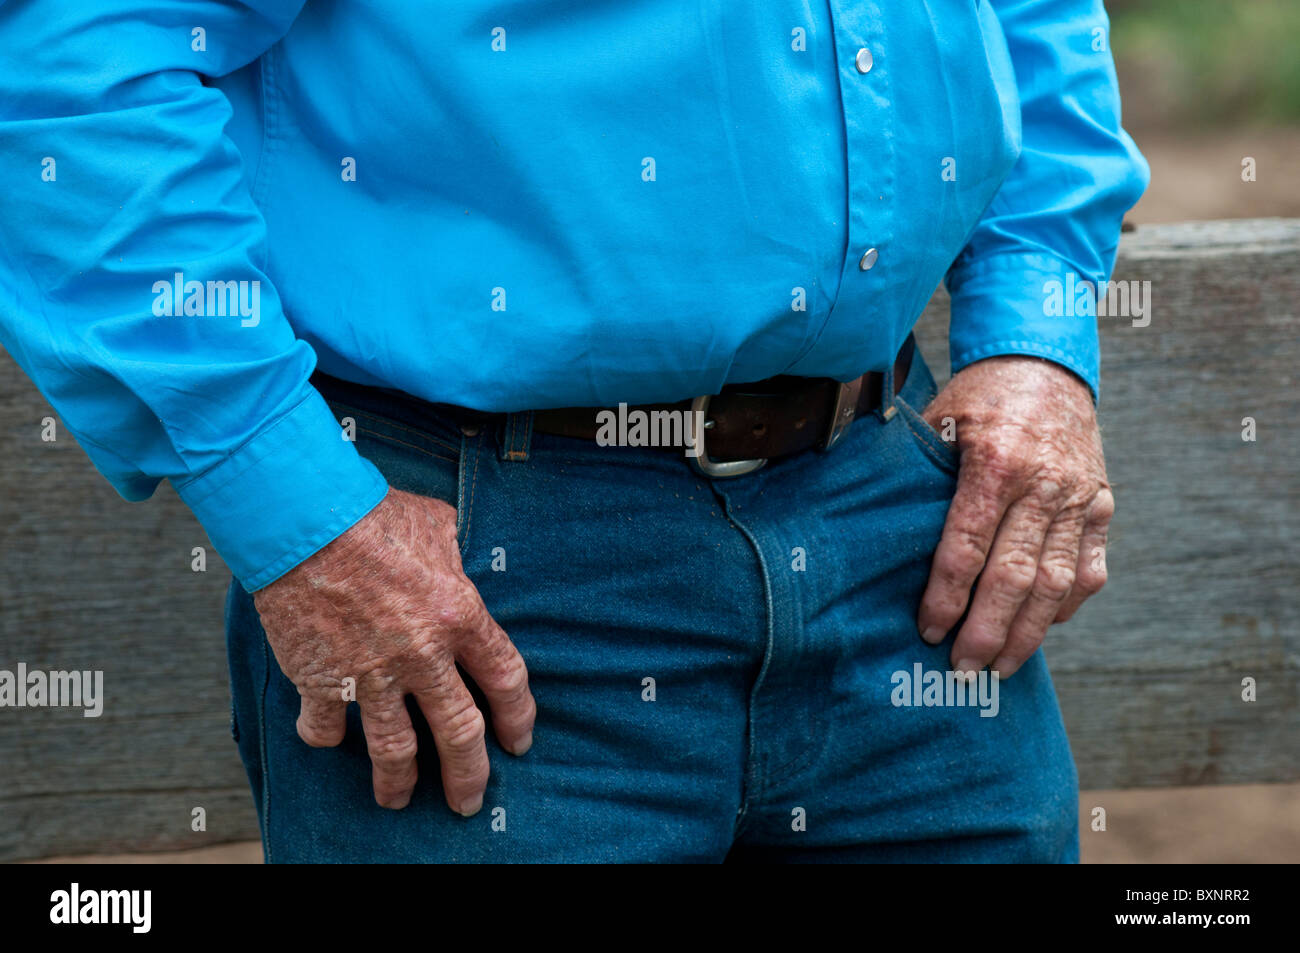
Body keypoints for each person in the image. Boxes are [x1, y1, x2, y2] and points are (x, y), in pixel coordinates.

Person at [0, 1, 1147, 862]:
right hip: (476, 577)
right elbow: (81, 63)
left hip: (903, 531)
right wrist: (297, 511)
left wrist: (1032, 335)